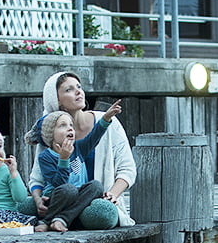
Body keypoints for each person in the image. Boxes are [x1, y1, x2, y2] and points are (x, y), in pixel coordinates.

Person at [27, 71, 136, 226]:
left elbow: (127, 169)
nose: (78, 91)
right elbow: (37, 177)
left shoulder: (108, 123)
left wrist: (112, 195)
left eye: (79, 86)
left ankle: (62, 219)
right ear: (57, 101)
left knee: (102, 212)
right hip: (62, 199)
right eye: (69, 89)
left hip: (94, 200)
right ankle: (55, 219)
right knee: (28, 204)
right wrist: (38, 200)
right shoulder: (51, 132)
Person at [29, 101, 124, 232]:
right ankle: (46, 220)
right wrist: (64, 159)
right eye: (63, 125)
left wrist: (106, 118)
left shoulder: (78, 148)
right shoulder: (46, 156)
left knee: (96, 186)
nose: (69, 128)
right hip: (58, 198)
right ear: (51, 134)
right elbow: (58, 183)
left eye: (71, 125)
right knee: (69, 189)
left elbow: (94, 136)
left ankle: (62, 219)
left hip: (78, 198)